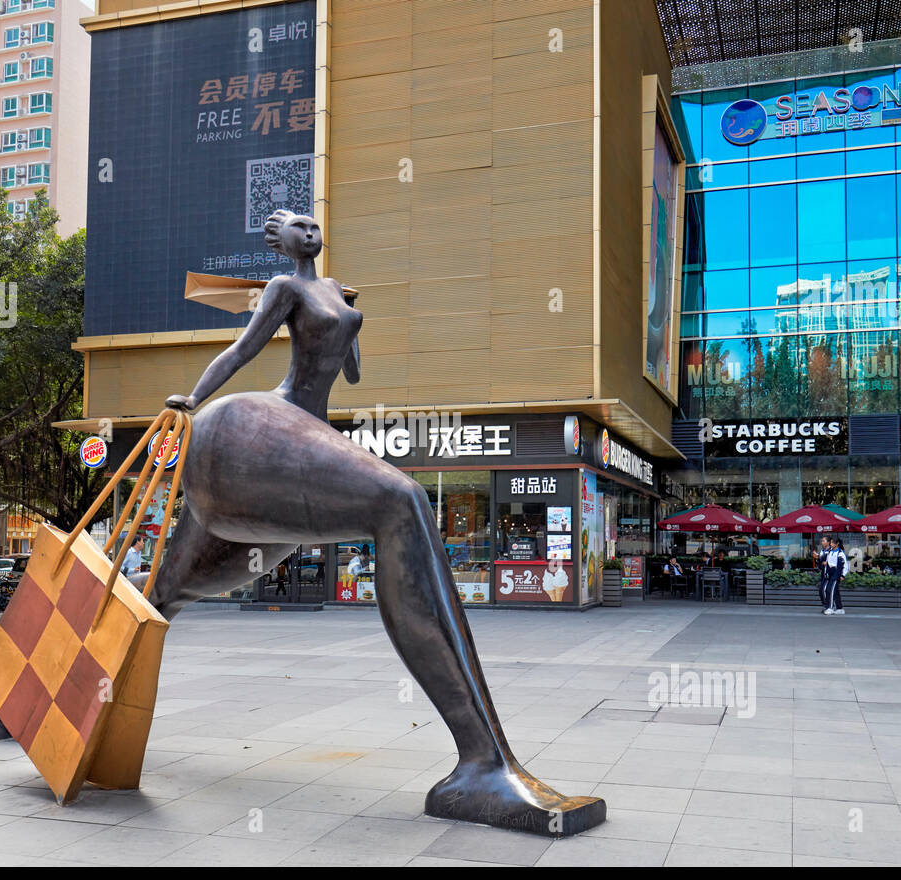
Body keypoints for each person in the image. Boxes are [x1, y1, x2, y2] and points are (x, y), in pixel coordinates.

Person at [151, 208, 601, 828]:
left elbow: (352, 373)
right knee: (404, 500)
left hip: (300, 438)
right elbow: (243, 348)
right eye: (295, 228)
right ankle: (482, 762)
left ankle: (23, 699)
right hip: (249, 431)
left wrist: (350, 322)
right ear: (277, 243)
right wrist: (192, 400)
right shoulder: (285, 288)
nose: (308, 233)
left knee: (161, 592)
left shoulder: (334, 293)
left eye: (313, 226)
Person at [822, 537, 849, 615]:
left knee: (830, 589)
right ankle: (839, 608)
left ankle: (830, 608)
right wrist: (825, 570)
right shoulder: (830, 551)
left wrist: (843, 575)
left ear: (837, 544)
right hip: (830, 573)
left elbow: (845, 565)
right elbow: (828, 562)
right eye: (830, 543)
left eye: (832, 543)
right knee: (835, 591)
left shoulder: (840, 553)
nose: (831, 544)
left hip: (836, 573)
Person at [814, 536, 830, 610]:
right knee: (822, 590)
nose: (822, 542)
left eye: (824, 541)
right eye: (822, 541)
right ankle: (826, 606)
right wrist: (817, 558)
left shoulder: (831, 551)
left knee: (823, 589)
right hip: (823, 573)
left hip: (829, 573)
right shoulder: (822, 551)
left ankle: (829, 606)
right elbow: (820, 565)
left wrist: (826, 562)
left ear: (828, 542)